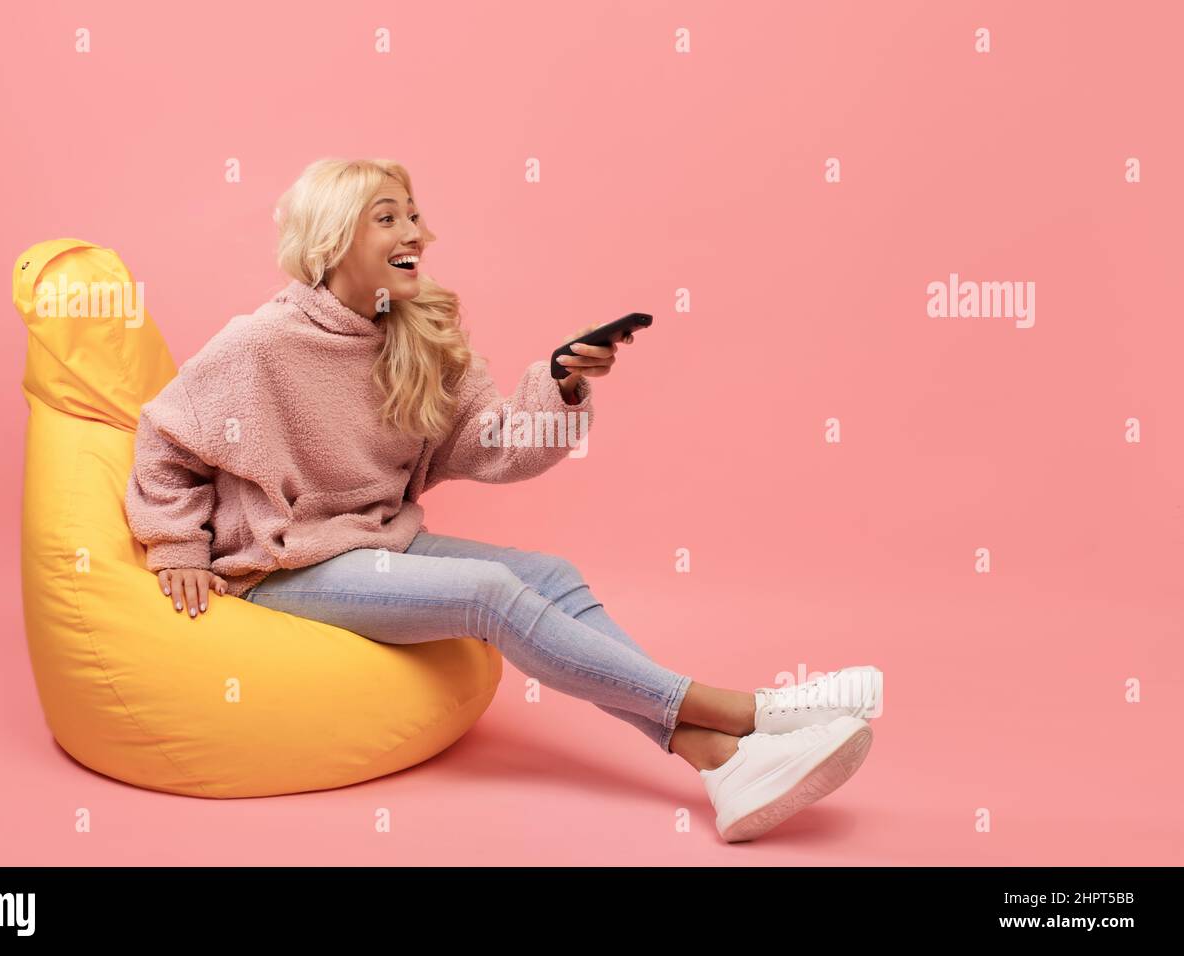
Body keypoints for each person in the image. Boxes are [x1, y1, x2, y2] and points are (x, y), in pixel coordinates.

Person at [123, 157, 881, 842]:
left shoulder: (417, 335)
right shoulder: (260, 344)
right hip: (286, 566)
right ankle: (747, 714)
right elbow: (164, 441)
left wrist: (562, 382)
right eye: (387, 217)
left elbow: (498, 444)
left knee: (550, 573)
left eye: (413, 213)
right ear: (331, 242)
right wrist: (179, 548)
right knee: (489, 592)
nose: (415, 230)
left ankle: (716, 760)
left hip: (376, 542)